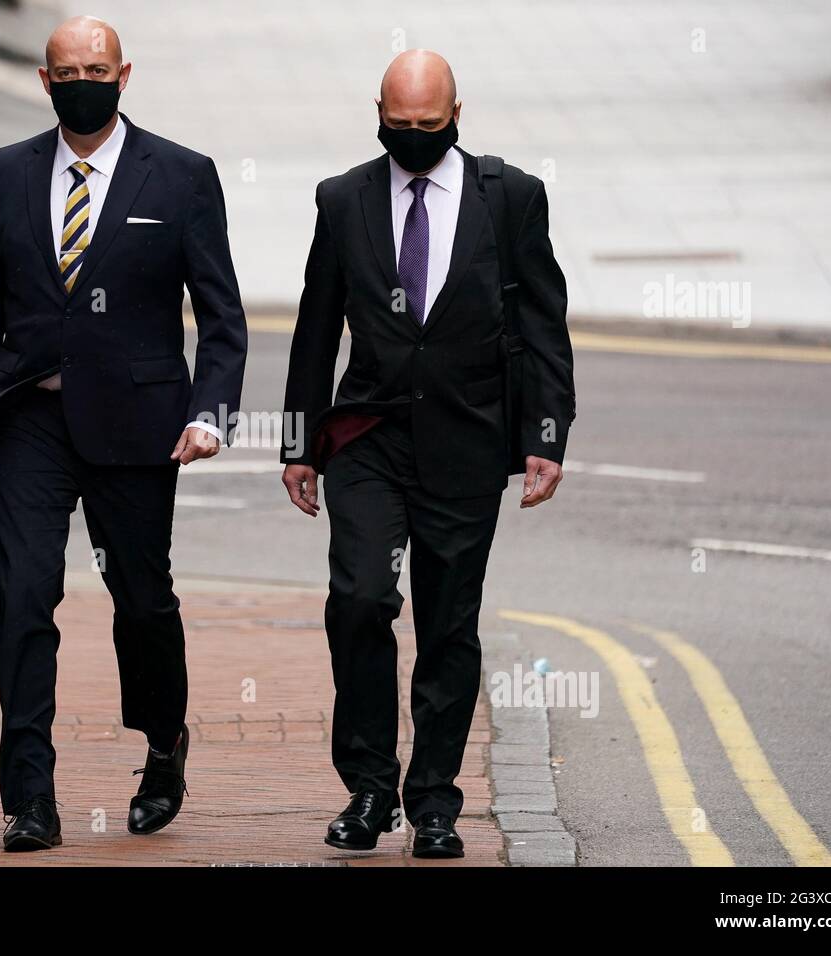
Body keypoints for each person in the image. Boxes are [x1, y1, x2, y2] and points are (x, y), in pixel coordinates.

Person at [0, 16, 247, 851]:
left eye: (98, 67)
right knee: (25, 596)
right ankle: (29, 798)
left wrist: (210, 414)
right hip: (31, 420)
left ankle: (163, 746)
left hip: (141, 426)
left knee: (142, 601)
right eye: (68, 69)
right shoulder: (7, 173)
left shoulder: (182, 176)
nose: (84, 79)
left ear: (124, 75)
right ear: (44, 82)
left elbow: (222, 318)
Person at [280, 50, 575, 858]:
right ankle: (370, 789)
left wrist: (545, 436)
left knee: (449, 624)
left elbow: (545, 322)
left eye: (428, 126)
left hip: (468, 440)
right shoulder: (342, 200)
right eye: (398, 125)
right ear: (378, 111)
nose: (413, 138)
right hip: (369, 437)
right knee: (361, 598)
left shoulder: (511, 198)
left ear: (457, 114)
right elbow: (316, 324)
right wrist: (299, 442)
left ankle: (435, 803)